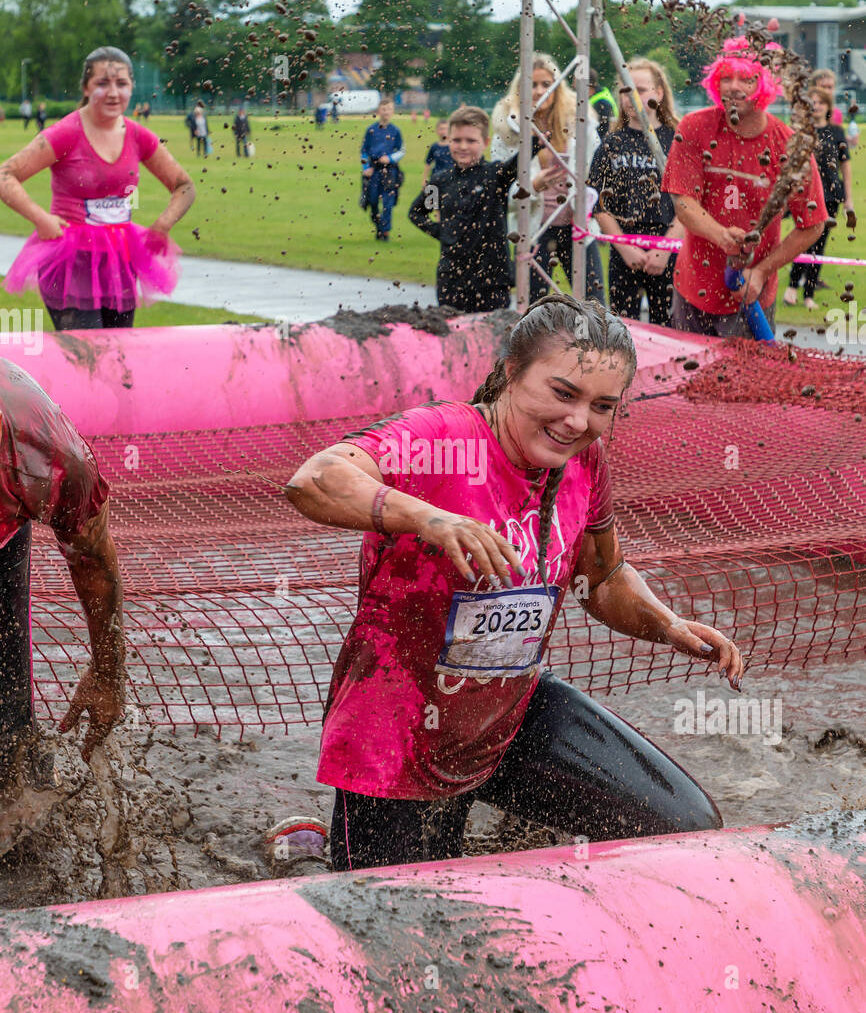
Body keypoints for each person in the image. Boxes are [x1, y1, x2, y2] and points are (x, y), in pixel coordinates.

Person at [282, 296, 743, 872]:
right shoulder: (443, 438)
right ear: (508, 374)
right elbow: (314, 480)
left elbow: (601, 577)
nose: (577, 421)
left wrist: (668, 625)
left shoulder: (585, 460)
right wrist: (429, 518)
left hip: (509, 714)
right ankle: (301, 851)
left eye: (602, 406)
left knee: (682, 825)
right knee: (387, 915)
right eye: (562, 393)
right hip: (395, 730)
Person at [0, 45, 194, 332]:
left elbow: (184, 185)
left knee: (117, 353)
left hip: (119, 258)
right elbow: (6, 174)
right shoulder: (66, 132)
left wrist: (164, 224)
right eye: (102, 83)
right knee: (85, 354)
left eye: (122, 83)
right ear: (86, 88)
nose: (113, 92)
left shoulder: (139, 135)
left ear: (132, 87)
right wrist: (40, 218)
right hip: (70, 260)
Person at [0, 358, 125, 802]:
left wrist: (109, 674)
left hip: (3, 537)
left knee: (8, 745)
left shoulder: (38, 445)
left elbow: (91, 554)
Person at [661, 37, 827, 337]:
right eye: (725, 78)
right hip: (691, 289)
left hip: (751, 297)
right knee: (685, 382)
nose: (733, 86)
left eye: (746, 79)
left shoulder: (789, 145)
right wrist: (722, 236)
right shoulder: (694, 127)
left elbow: (813, 224)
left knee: (745, 383)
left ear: (764, 85)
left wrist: (762, 271)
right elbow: (683, 202)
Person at [490, 54, 605, 305]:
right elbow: (498, 192)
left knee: (594, 305)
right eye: (532, 84)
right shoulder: (506, 129)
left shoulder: (580, 120)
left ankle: (594, 346)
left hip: (577, 229)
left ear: (558, 85)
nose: (540, 90)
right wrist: (531, 187)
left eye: (546, 84)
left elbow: (598, 171)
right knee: (533, 309)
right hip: (532, 230)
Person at [588, 57, 684, 327]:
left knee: (669, 331)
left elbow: (691, 204)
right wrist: (623, 247)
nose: (631, 97)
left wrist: (664, 249)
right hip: (625, 248)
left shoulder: (678, 139)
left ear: (659, 93)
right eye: (625, 90)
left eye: (640, 89)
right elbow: (598, 205)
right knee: (623, 334)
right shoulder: (611, 145)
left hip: (668, 246)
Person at [409, 104, 529, 312]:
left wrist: (537, 137)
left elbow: (522, 159)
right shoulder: (440, 181)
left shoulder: (496, 175)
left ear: (485, 142)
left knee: (492, 341)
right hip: (452, 282)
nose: (463, 146)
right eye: (456, 140)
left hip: (491, 282)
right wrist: (442, 231)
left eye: (471, 140)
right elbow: (417, 213)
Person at [784, 86, 854, 309]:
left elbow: (846, 165)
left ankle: (809, 294)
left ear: (828, 106)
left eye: (821, 102)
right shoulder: (803, 132)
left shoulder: (837, 132)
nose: (817, 106)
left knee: (820, 244)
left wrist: (849, 200)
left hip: (831, 194)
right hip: (806, 194)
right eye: (813, 102)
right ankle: (792, 287)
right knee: (802, 239)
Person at [360, 96, 404, 242]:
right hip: (374, 170)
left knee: (388, 203)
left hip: (390, 171)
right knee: (372, 201)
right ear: (379, 110)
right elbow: (364, 151)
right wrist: (366, 167)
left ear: (393, 111)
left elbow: (401, 151)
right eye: (384, 109)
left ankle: (384, 232)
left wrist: (390, 158)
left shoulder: (395, 131)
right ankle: (379, 225)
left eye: (389, 109)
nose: (386, 112)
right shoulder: (371, 130)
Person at [589, 67, 618, 140]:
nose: (573, 85)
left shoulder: (602, 102)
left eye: (576, 82)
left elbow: (604, 133)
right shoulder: (598, 96)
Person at [423, 118, 454, 185]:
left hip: (450, 180)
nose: (444, 131)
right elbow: (428, 163)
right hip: (436, 179)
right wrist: (424, 180)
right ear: (437, 130)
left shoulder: (454, 147)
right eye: (441, 129)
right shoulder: (434, 147)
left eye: (446, 129)